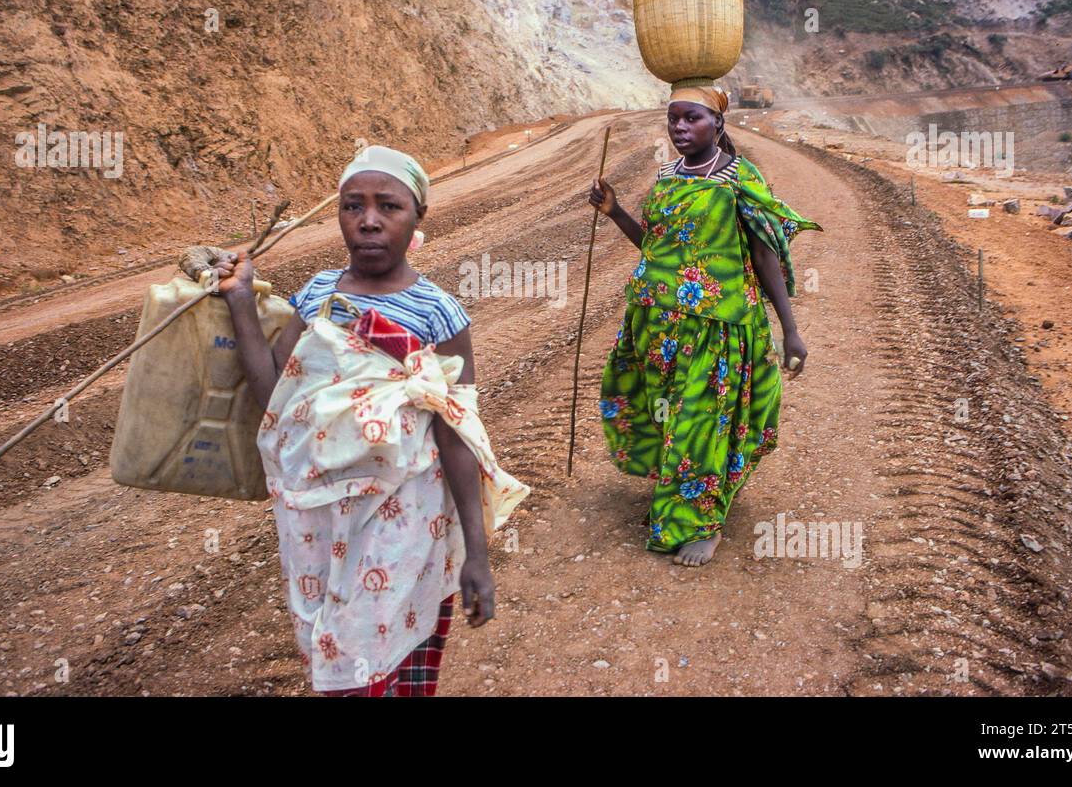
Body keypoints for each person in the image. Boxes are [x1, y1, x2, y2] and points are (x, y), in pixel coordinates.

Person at [216, 145, 527, 695]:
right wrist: (241, 299)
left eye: (389, 206)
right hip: (318, 511)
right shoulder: (318, 295)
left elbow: (457, 429)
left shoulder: (438, 312)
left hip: (403, 511)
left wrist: (477, 555)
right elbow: (277, 397)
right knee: (327, 633)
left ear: (417, 217)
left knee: (375, 638)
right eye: (352, 206)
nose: (369, 221)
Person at [589, 85, 821, 567]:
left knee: (703, 424)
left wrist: (790, 328)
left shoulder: (740, 179)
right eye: (673, 119)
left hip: (720, 328)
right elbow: (655, 247)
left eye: (691, 118)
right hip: (661, 327)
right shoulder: (668, 178)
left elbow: (765, 256)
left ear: (718, 123)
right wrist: (615, 213)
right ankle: (683, 496)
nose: (679, 128)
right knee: (671, 418)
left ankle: (702, 525)